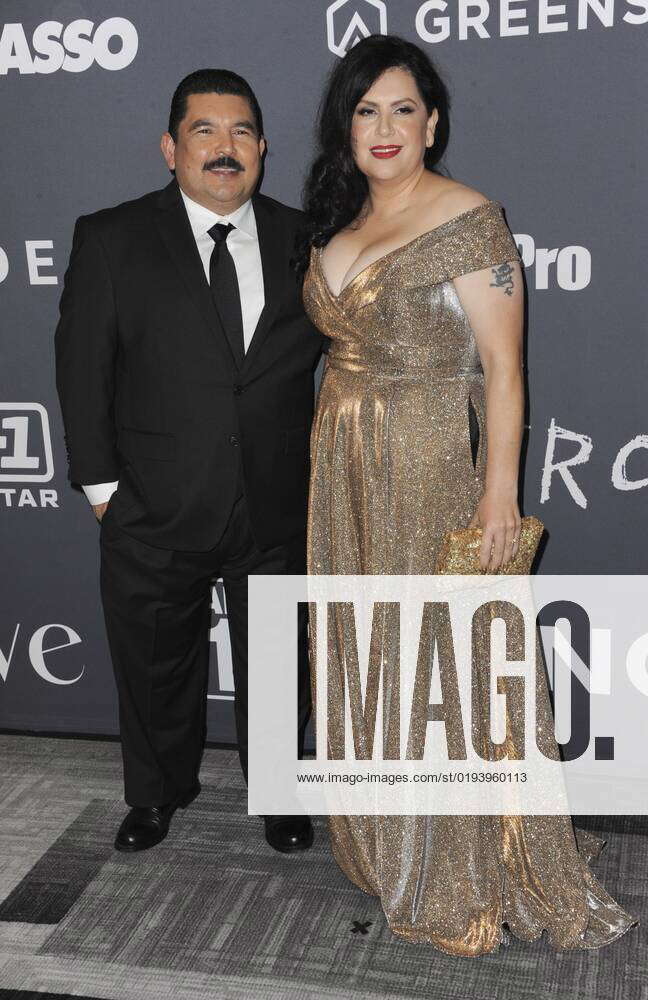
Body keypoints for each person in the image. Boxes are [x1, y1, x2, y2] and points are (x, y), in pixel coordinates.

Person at [298, 35, 638, 954]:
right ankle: (394, 842)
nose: (384, 127)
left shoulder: (468, 218)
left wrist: (499, 500)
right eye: (366, 108)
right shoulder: (338, 222)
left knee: (451, 664)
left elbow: (503, 368)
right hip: (346, 468)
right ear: (346, 123)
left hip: (428, 459)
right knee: (373, 653)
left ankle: (466, 861)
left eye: (403, 108)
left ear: (432, 122)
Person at [55, 69, 324, 855]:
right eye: (204, 131)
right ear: (170, 146)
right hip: (150, 505)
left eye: (241, 131)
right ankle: (156, 792)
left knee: (277, 662)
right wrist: (104, 490)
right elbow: (82, 369)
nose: (224, 147)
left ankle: (276, 793)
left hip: (274, 503)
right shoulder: (111, 237)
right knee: (153, 665)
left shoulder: (305, 239)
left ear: (264, 148)